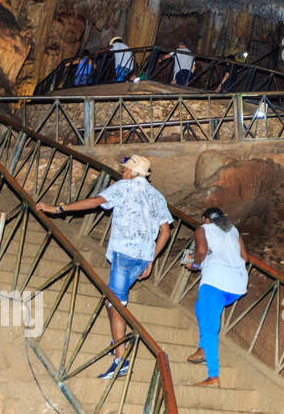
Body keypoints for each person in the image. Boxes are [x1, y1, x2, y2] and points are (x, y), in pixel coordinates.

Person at [36, 155, 172, 379]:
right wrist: (151, 259)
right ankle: (117, 338)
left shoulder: (124, 186)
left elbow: (94, 202)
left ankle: (121, 358)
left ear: (133, 172)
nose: (122, 173)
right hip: (142, 258)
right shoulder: (157, 196)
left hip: (124, 253)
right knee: (112, 300)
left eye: (125, 170)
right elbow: (165, 233)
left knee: (116, 302)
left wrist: (58, 209)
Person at [185, 207, 249, 388]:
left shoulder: (203, 229)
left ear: (205, 219)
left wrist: (195, 264)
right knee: (201, 309)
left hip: (214, 283)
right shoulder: (233, 230)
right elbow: (245, 257)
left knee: (210, 327)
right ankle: (203, 348)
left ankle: (213, 376)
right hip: (237, 285)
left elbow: (202, 251)